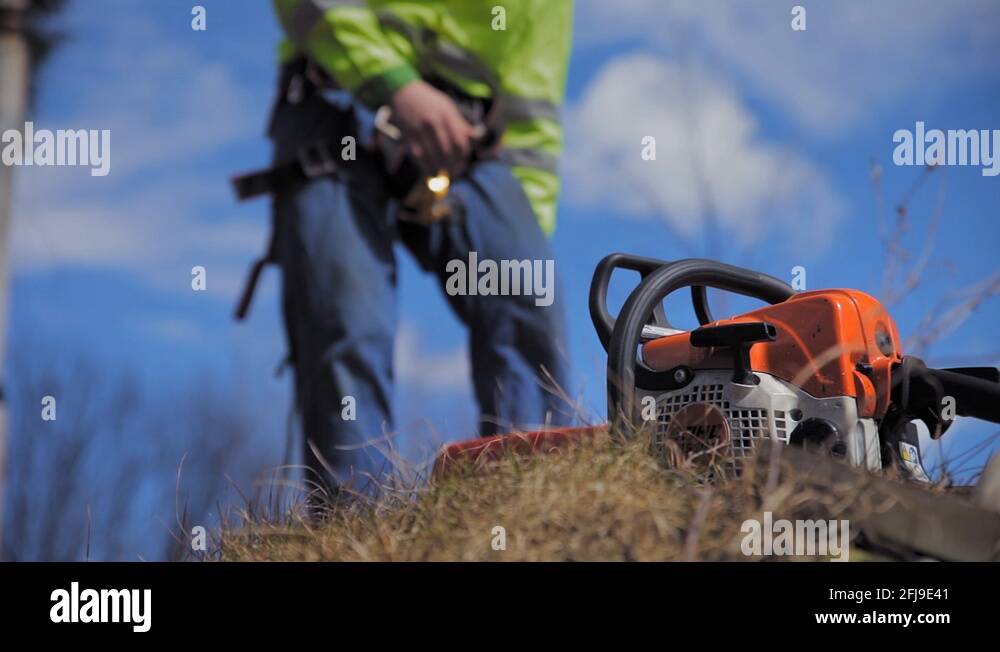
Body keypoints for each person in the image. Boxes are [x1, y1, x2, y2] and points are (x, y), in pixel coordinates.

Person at [266, 0, 574, 502]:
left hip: (468, 138)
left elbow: (531, 105)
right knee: (346, 317)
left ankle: (534, 502)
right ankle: (356, 520)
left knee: (524, 292)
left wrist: (523, 236)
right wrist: (396, 86)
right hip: (332, 99)